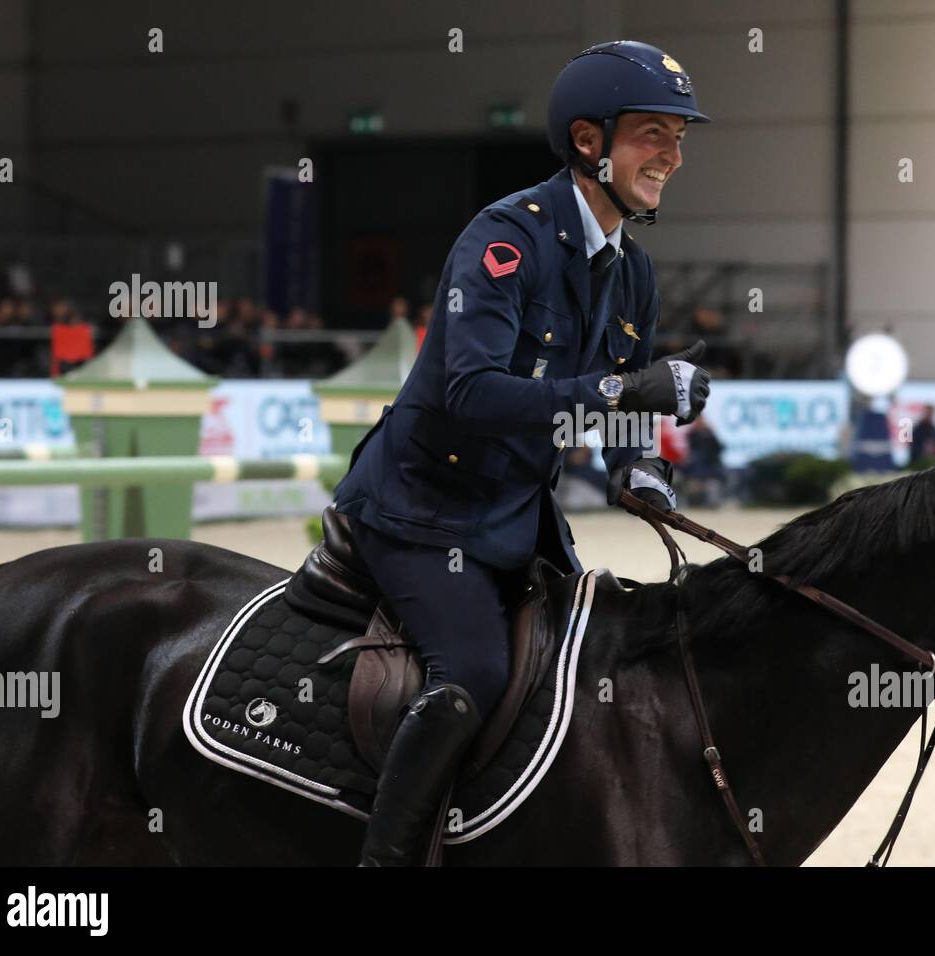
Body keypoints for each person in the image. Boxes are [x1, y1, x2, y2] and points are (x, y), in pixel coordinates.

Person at [331, 40, 712, 866]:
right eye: (654, 134)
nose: (673, 158)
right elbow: (471, 393)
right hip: (423, 510)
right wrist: (626, 395)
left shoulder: (633, 271)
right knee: (470, 674)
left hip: (514, 514)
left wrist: (637, 467)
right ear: (589, 141)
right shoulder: (505, 239)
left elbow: (613, 393)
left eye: (680, 137)